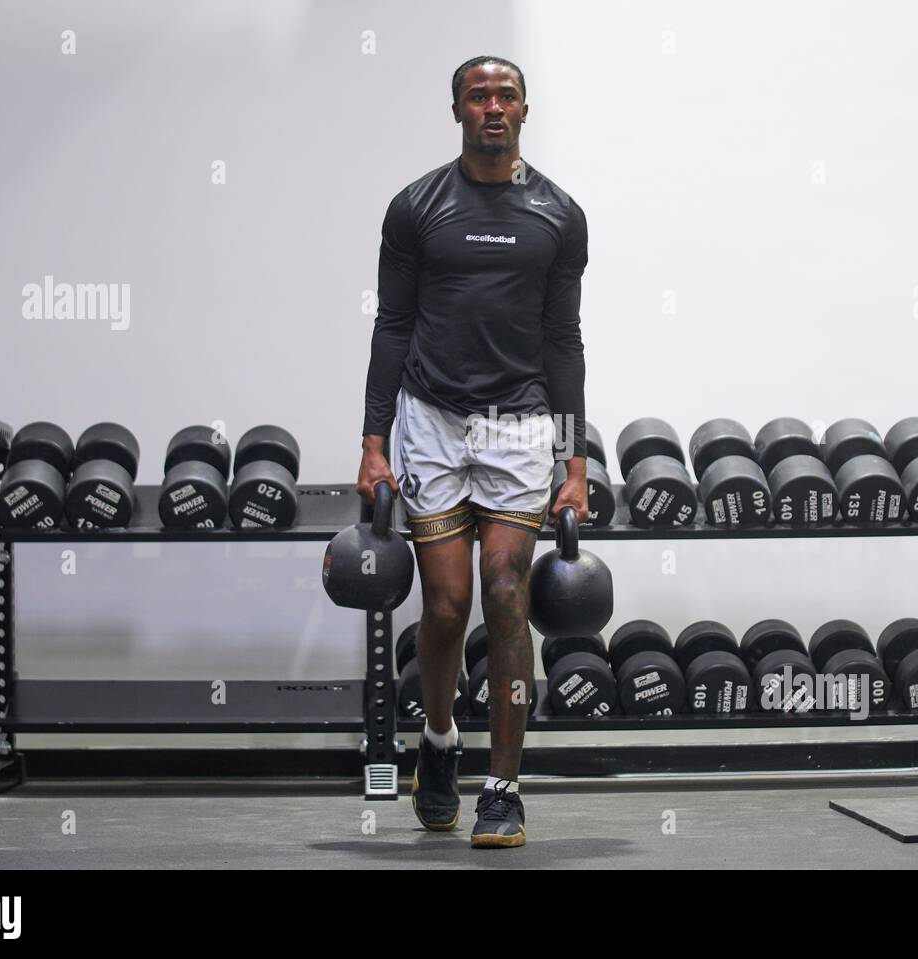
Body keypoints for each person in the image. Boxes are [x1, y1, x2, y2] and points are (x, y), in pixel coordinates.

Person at [358, 55, 590, 848]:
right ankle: (440, 741)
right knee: (447, 604)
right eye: (477, 95)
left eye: (505, 95)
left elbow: (564, 342)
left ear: (526, 108)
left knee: (504, 589)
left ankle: (504, 787)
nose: (492, 106)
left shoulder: (560, 215)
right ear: (456, 108)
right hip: (431, 419)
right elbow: (392, 326)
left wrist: (576, 463)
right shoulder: (415, 207)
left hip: (519, 425)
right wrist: (373, 444)